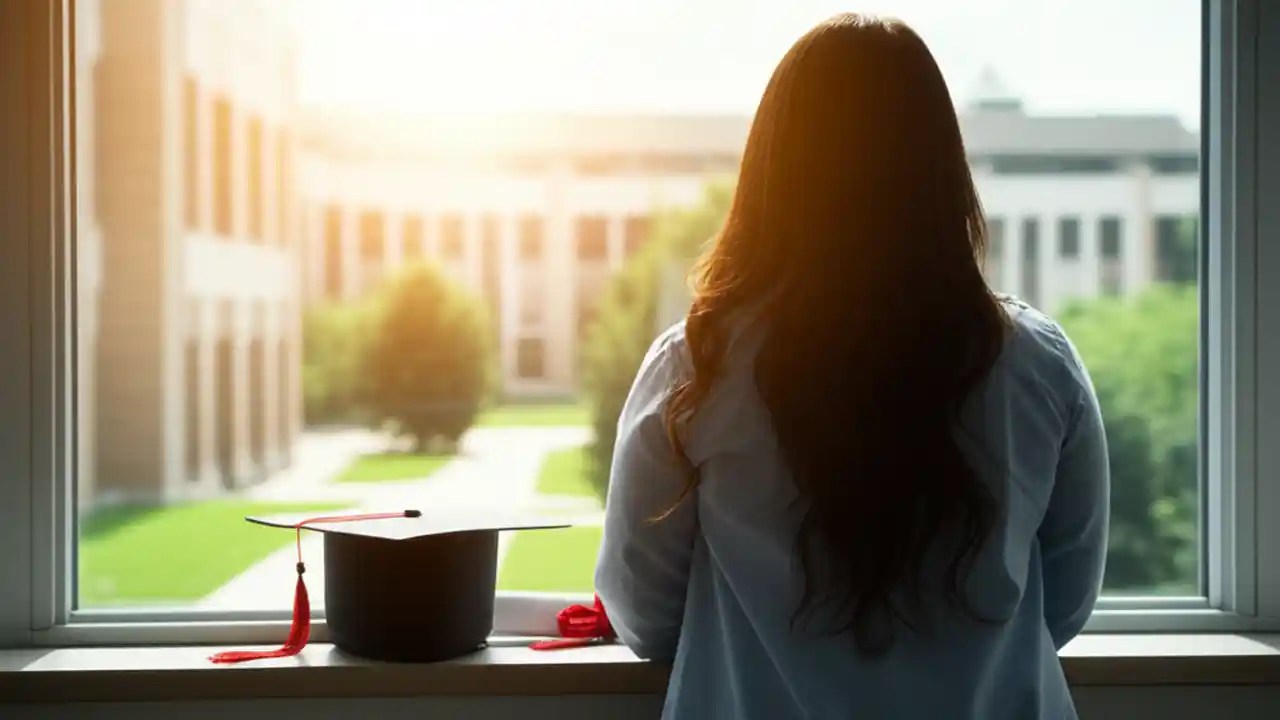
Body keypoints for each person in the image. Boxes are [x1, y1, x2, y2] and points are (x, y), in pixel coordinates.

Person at [594, 12, 1110, 720]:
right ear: (940, 169)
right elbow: (1069, 602)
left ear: (772, 172)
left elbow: (643, 615)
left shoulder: (697, 366)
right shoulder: (1038, 365)